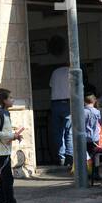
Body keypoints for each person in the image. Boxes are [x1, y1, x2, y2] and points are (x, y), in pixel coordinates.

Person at [47, 38, 71, 166]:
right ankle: (70, 157)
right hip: (68, 104)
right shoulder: (72, 72)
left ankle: (61, 157)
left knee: (58, 132)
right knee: (69, 131)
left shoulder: (55, 72)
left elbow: (51, 87)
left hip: (55, 104)